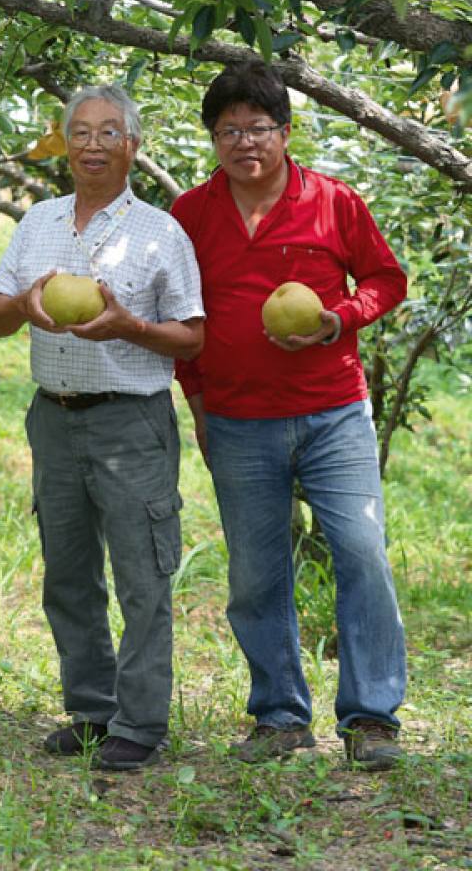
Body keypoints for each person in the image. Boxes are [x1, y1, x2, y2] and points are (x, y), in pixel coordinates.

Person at [171, 64, 408, 771]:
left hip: (333, 411)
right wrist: (200, 403)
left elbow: (386, 280)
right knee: (255, 573)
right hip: (240, 419)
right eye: (228, 130)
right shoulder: (191, 213)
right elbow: (183, 316)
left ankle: (371, 718)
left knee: (361, 553)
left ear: (286, 131)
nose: (244, 142)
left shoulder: (333, 202)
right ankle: (279, 716)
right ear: (213, 137)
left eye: (258, 128)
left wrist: (338, 320)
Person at [0, 84, 204, 771]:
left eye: (110, 132)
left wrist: (129, 326)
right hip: (53, 417)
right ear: (65, 143)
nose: (93, 145)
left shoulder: (161, 231)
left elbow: (191, 338)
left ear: (132, 146)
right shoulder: (38, 222)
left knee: (143, 577)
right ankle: (91, 709)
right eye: (81, 132)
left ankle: (139, 722)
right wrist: (23, 303)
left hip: (130, 422)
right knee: (68, 575)